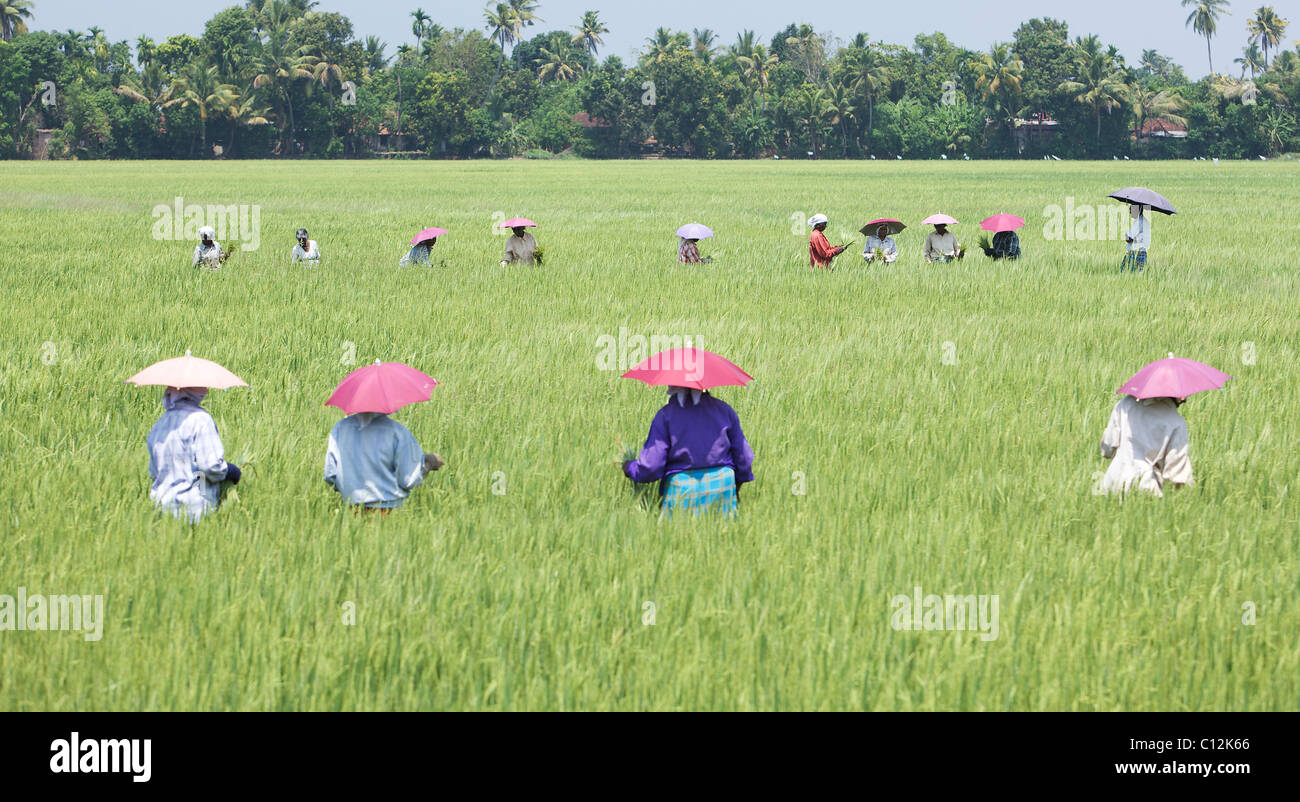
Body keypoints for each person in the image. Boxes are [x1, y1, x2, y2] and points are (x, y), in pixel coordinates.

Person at [623, 387, 754, 515]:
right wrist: (736, 486)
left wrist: (630, 468)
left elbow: (651, 467)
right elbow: (745, 458)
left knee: (677, 536)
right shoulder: (725, 411)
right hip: (722, 488)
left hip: (681, 492)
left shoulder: (665, 416)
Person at [146, 387, 241, 522]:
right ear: (194, 390)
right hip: (195, 509)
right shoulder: (201, 420)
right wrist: (229, 471)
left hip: (162, 509)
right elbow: (210, 465)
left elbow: (154, 472)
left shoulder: (160, 423)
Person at [324, 412, 444, 511]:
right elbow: (409, 480)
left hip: (351, 509)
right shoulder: (397, 432)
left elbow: (330, 475)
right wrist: (427, 464)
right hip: (389, 510)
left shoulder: (340, 428)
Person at [1098, 395, 1193, 498]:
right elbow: (1176, 475)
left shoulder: (1125, 404)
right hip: (1147, 491)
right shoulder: (1177, 423)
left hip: (1111, 485)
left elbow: (1107, 449)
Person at [1122, 204, 1150, 272]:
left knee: (1127, 272)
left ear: (1137, 210)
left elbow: (1129, 238)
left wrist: (1126, 235)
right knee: (1139, 273)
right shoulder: (1145, 221)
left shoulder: (1139, 222)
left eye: (1131, 209)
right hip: (1143, 252)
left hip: (1135, 252)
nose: (1130, 212)